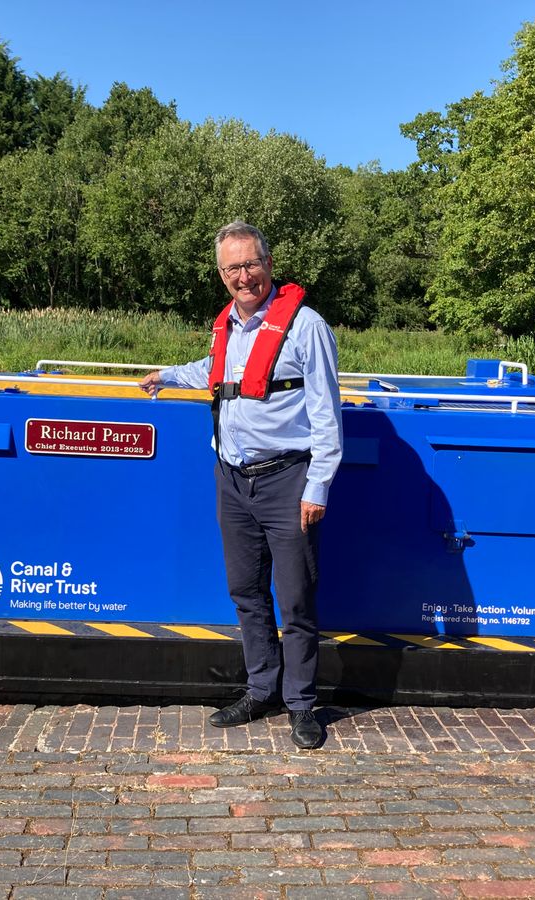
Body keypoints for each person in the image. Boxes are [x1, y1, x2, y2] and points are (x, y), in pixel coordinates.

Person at [139, 221, 343, 750]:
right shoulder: (228, 325)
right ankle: (260, 691)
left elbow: (326, 415)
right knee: (247, 594)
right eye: (232, 268)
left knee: (296, 600)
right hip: (232, 480)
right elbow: (216, 370)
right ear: (221, 274)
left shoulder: (306, 327)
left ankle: (301, 704)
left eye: (251, 264)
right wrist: (167, 375)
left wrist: (317, 488)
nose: (243, 276)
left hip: (287, 480)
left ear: (269, 264)